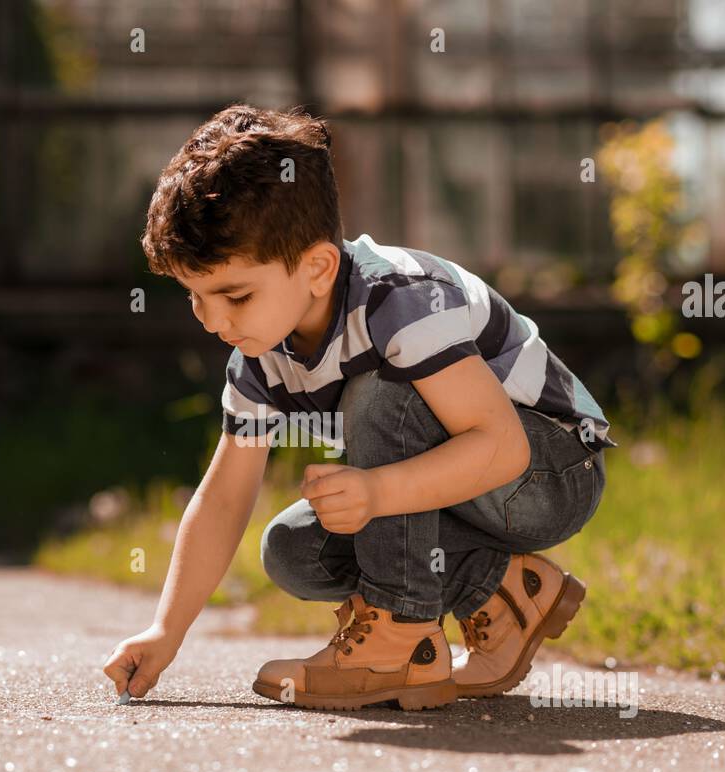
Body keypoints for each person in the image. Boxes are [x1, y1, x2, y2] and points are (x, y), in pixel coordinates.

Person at [103, 104, 614, 711]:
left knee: (380, 391)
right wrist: (167, 631)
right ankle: (503, 593)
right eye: (195, 298)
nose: (213, 321)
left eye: (234, 295)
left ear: (317, 266)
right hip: (472, 489)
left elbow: (502, 447)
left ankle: (398, 641)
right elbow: (224, 497)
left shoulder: (399, 301)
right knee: (294, 549)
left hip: (551, 470)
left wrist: (376, 495)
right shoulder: (261, 352)